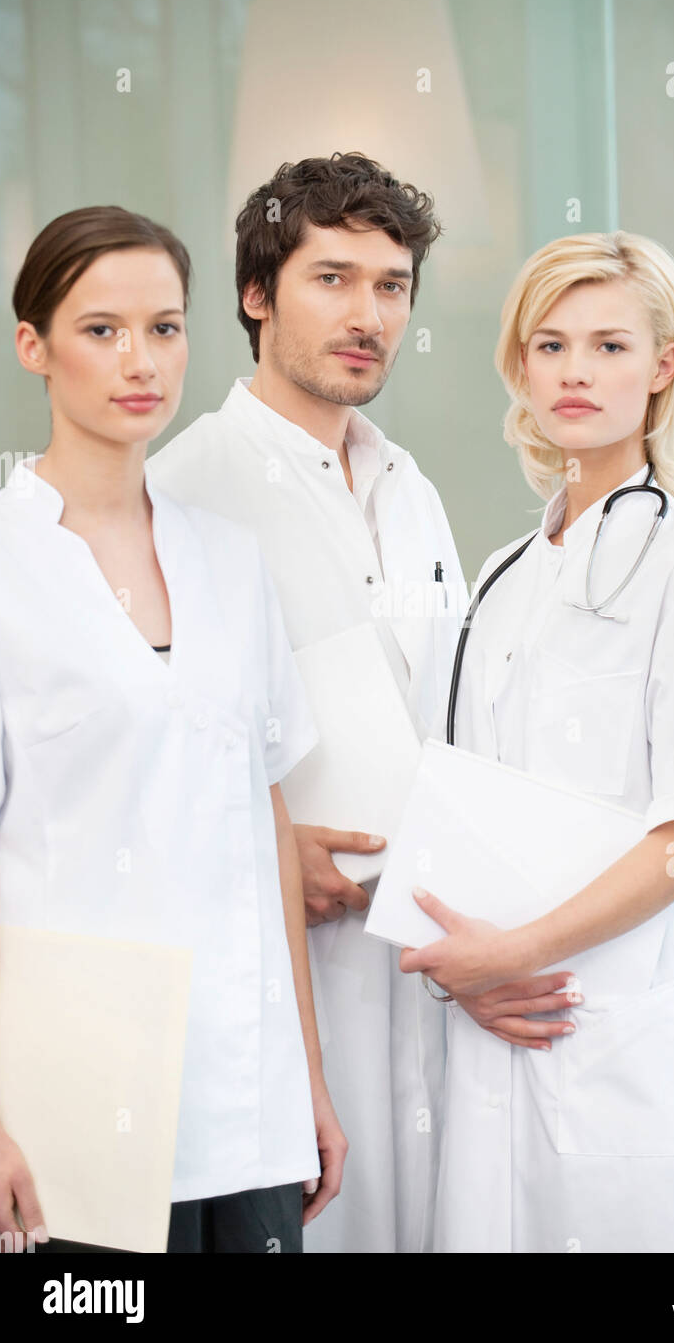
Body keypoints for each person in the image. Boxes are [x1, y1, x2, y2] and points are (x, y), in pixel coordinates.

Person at [147, 153, 575, 1253]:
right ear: (255, 295)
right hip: (284, 987)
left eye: (392, 285)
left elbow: (447, 736)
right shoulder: (186, 490)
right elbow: (134, 762)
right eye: (332, 277)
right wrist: (270, 847)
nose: (368, 313)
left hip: (432, 972)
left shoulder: (414, 490)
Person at [401, 231, 674, 1253]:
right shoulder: (500, 578)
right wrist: (461, 968)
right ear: (520, 367)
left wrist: (509, 956)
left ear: (663, 369)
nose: (576, 371)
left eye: (611, 346)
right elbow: (461, 807)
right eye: (551, 343)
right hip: (489, 1040)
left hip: (624, 1049)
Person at [0, 206, 345, 1254]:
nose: (140, 359)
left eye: (164, 326)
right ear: (33, 347)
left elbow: (264, 820)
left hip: (247, 1101)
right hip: (71, 1108)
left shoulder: (231, 562)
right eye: (101, 330)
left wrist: (307, 1086)